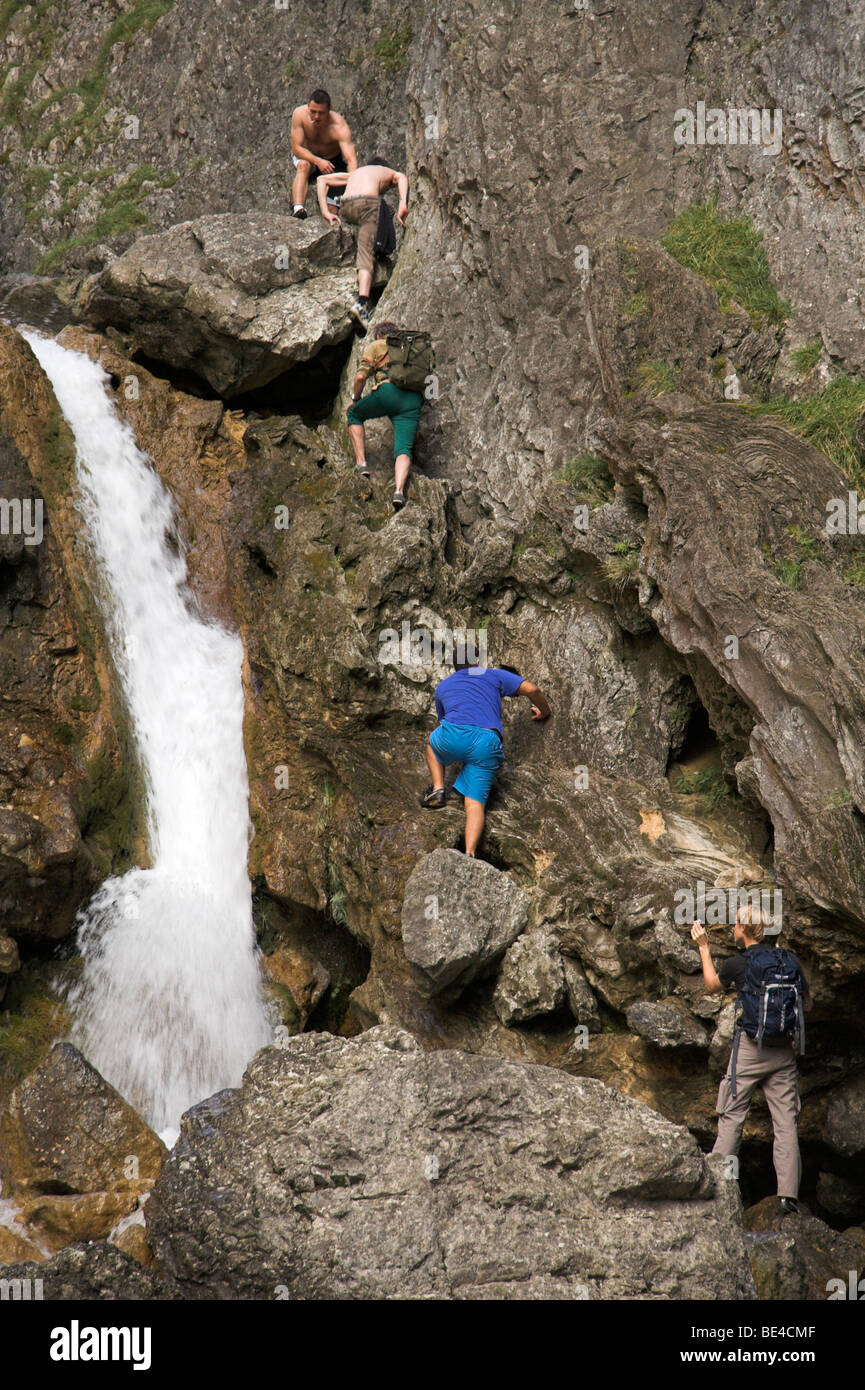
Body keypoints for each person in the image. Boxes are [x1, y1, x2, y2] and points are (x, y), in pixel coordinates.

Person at [691, 905, 812, 1216]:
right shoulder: (788, 960)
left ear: (745, 929)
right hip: (783, 1052)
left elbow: (712, 985)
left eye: (735, 924)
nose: (732, 928)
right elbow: (806, 1004)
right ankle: (787, 1197)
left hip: (749, 1049)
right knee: (785, 1124)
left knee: (732, 1116)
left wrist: (704, 947)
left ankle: (716, 1188)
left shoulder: (739, 963)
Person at [422, 660, 551, 857]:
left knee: (431, 745)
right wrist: (544, 711)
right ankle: (469, 853)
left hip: (454, 736)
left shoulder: (443, 686)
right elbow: (533, 689)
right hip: (487, 742)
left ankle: (438, 790)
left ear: (454, 666)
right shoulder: (492, 674)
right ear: (476, 662)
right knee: (474, 804)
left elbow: (445, 719)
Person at [317, 159, 408, 327]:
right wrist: (403, 204)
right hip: (367, 204)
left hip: (346, 207)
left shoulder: (355, 174)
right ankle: (362, 303)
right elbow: (401, 176)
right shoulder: (385, 171)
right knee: (366, 253)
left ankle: (375, 243)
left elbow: (322, 180)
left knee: (369, 229)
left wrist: (325, 212)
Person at [346, 320, 423, 510]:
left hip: (389, 392)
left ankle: (361, 464)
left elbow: (360, 377)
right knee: (404, 448)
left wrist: (355, 398)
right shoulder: (411, 348)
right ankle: (398, 491)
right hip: (413, 400)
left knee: (354, 414)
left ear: (379, 336)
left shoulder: (378, 345)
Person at [290, 89, 357, 218]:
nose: (316, 117)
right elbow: (296, 148)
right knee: (304, 165)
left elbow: (351, 160)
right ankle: (298, 209)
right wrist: (318, 161)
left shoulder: (339, 127)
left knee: (332, 208)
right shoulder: (299, 115)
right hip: (308, 156)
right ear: (308, 106)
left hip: (332, 162)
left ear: (329, 110)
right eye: (313, 111)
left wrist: (352, 186)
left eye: (321, 113)